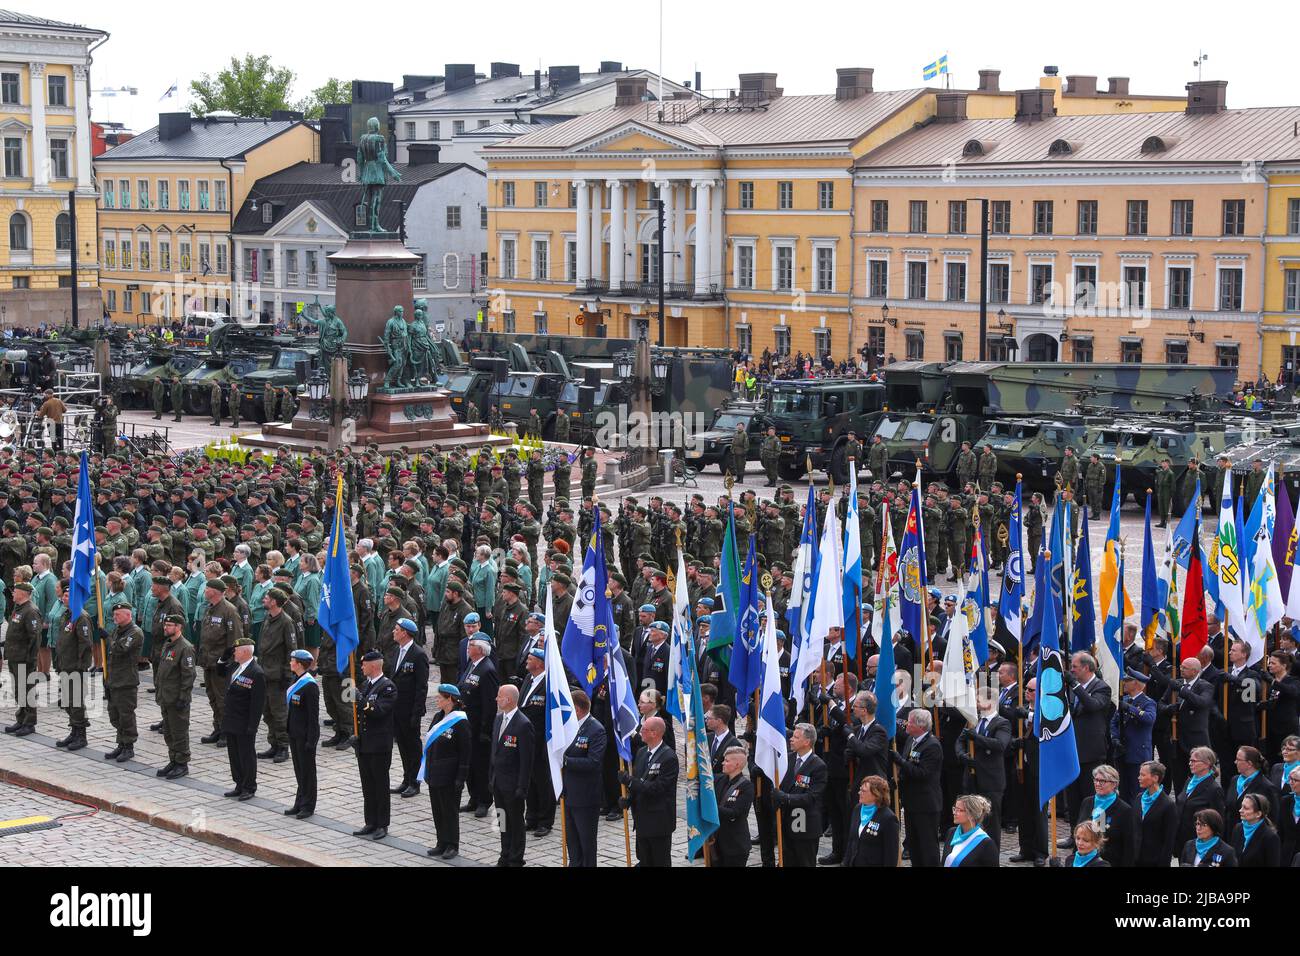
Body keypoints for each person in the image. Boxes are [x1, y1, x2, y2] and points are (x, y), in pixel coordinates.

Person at [619, 714, 679, 867]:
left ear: (655, 733)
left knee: (659, 861)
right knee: (644, 859)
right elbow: (640, 781)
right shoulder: (641, 753)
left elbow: (658, 788)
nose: (640, 733)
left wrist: (630, 782)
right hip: (642, 819)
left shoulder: (669, 757)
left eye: (644, 730)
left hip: (659, 820)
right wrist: (629, 800)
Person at [422, 683, 471, 860]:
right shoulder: (437, 717)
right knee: (437, 809)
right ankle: (441, 841)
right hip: (435, 772)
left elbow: (466, 752)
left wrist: (461, 777)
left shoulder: (461, 722)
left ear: (450, 699)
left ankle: (452, 844)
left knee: (449, 810)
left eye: (440, 698)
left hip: (450, 775)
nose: (437, 700)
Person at [891, 708, 944, 867]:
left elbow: (922, 773)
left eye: (910, 721)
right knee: (914, 845)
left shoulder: (932, 746)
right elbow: (908, 769)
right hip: (911, 802)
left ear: (920, 726)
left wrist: (900, 762)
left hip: (926, 804)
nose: (906, 724)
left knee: (927, 846)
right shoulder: (911, 740)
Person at [353, 650, 397, 840]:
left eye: (364, 664)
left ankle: (382, 824)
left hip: (379, 745)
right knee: (367, 785)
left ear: (373, 665)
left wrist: (361, 701)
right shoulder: (365, 684)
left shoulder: (388, 688)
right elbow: (358, 714)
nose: (361, 667)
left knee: (380, 785)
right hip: (364, 744)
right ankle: (370, 821)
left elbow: (378, 711)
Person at [490, 683, 534, 867]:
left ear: (508, 699)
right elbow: (494, 752)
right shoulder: (499, 719)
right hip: (498, 782)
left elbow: (527, 760)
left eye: (499, 696)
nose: (496, 699)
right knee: (502, 821)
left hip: (513, 785)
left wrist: (522, 787)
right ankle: (505, 853)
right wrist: (491, 778)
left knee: (515, 823)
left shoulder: (523, 725)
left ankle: (516, 857)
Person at [561, 689, 606, 867]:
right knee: (571, 842)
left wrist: (566, 762)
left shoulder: (596, 730)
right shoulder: (567, 726)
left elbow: (594, 763)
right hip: (569, 793)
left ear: (578, 710)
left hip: (586, 796)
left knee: (586, 843)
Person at [386, 618, 429, 798]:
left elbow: (421, 687)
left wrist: (417, 712)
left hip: (410, 710)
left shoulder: (418, 654)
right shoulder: (397, 651)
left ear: (405, 633)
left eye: (396, 629)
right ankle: (406, 778)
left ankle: (415, 782)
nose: (394, 632)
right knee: (402, 745)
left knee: (413, 746)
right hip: (397, 709)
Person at [774, 722, 827, 868]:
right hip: (786, 821)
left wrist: (787, 798)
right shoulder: (788, 759)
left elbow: (812, 797)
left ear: (807, 742)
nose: (791, 739)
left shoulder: (818, 766)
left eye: (796, 737)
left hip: (804, 824)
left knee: (804, 861)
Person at [222, 637, 266, 800]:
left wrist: (253, 726)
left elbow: (258, 703)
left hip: (245, 722)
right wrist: (223, 657)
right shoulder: (235, 666)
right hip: (231, 718)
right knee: (234, 754)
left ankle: (249, 786)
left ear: (246, 651)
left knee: (246, 755)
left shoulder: (257, 672)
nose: (234, 651)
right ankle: (239, 783)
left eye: (237, 650)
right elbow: (219, 671)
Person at [153, 612, 195, 779]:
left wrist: (183, 697)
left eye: (169, 625)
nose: (166, 627)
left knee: (179, 732)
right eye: (165, 625)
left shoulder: (185, 648)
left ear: (179, 628)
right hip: (166, 696)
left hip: (177, 698)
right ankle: (173, 759)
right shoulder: (168, 644)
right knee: (169, 732)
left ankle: (182, 763)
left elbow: (189, 675)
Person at [104, 603, 143, 764]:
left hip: (126, 680)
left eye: (118, 615)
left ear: (128, 615)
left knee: (126, 714)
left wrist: (108, 638)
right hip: (113, 678)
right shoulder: (117, 630)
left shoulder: (135, 632)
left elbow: (120, 649)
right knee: (115, 714)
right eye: (114, 615)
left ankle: (128, 745)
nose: (114, 618)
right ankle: (121, 742)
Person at [284, 649, 320, 819]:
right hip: (294, 732)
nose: (290, 663)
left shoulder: (310, 685)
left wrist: (312, 740)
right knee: (299, 770)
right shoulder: (295, 679)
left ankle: (308, 805)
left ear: (299, 664)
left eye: (292, 661)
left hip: (305, 735)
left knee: (308, 772)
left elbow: (313, 717)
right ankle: (299, 801)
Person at [3, 582, 42, 736]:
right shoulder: (18, 608)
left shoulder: (31, 611)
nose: (12, 594)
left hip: (25, 660)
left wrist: (30, 659)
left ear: (23, 593)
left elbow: (35, 638)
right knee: (19, 690)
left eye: (15, 591)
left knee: (28, 690)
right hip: (15, 657)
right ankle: (21, 719)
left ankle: (29, 722)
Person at [1077, 764, 1135, 866]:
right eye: (1096, 780)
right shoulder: (1087, 802)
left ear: (1114, 784)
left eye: (1102, 781)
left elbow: (1129, 847)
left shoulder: (1125, 810)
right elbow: (1079, 833)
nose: (1098, 783)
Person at [843, 774, 900, 867]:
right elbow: (851, 841)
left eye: (863, 791)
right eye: (860, 789)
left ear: (876, 794)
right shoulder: (858, 809)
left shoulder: (888, 818)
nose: (859, 793)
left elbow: (891, 855)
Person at [1176, 746, 1227, 851]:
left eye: (1194, 761)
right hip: (1183, 842)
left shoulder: (1214, 789)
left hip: (1202, 843)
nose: (1190, 763)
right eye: (1190, 760)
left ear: (1206, 763)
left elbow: (1219, 821)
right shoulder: (1189, 782)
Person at [713, 745, 754, 867]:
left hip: (735, 845)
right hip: (716, 842)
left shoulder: (747, 787)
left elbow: (735, 813)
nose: (722, 763)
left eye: (726, 761)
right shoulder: (719, 780)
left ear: (737, 765)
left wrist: (711, 808)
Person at [1133, 760, 1179, 866]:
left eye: (1142, 775)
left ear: (1155, 778)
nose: (1138, 778)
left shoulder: (1168, 805)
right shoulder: (1139, 798)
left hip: (1155, 861)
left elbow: (1169, 841)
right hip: (1136, 859)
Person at [943, 794, 999, 867]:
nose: (954, 813)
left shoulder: (986, 843)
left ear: (972, 814)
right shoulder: (952, 832)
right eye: (955, 809)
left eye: (960, 810)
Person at [1230, 793, 1281, 867]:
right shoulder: (1238, 828)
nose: (1240, 810)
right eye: (1241, 807)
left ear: (1258, 814)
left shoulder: (1270, 837)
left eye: (1246, 808)